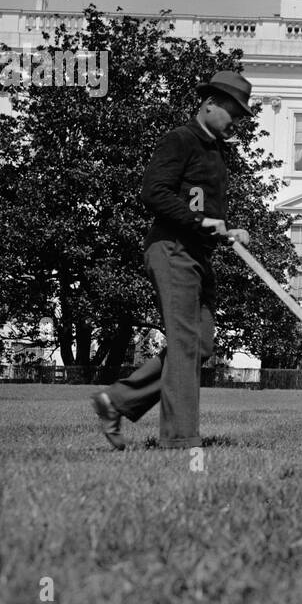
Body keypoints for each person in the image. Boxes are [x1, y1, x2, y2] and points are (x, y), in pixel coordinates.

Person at [91, 70, 254, 450]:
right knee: (184, 342)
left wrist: (229, 230)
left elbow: (202, 207)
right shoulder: (179, 140)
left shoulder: (216, 152)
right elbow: (154, 193)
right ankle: (179, 441)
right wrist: (201, 222)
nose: (237, 121)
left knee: (201, 344)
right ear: (209, 103)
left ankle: (115, 401)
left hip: (197, 254)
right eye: (233, 111)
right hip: (171, 250)